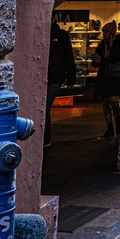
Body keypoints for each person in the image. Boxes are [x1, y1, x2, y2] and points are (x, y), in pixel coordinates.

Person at [93, 20, 120, 138]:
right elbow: (95, 64)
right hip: (104, 78)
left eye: (106, 31)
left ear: (111, 33)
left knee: (114, 100)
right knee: (105, 103)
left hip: (115, 78)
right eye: (103, 31)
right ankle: (109, 128)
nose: (104, 33)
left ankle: (118, 123)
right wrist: (96, 61)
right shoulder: (102, 46)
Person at [45, 16, 76, 148]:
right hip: (55, 76)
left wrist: (71, 79)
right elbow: (69, 56)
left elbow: (68, 56)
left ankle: (45, 138)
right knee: (46, 107)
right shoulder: (60, 35)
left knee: (45, 107)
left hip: (54, 77)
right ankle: (45, 138)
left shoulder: (60, 35)